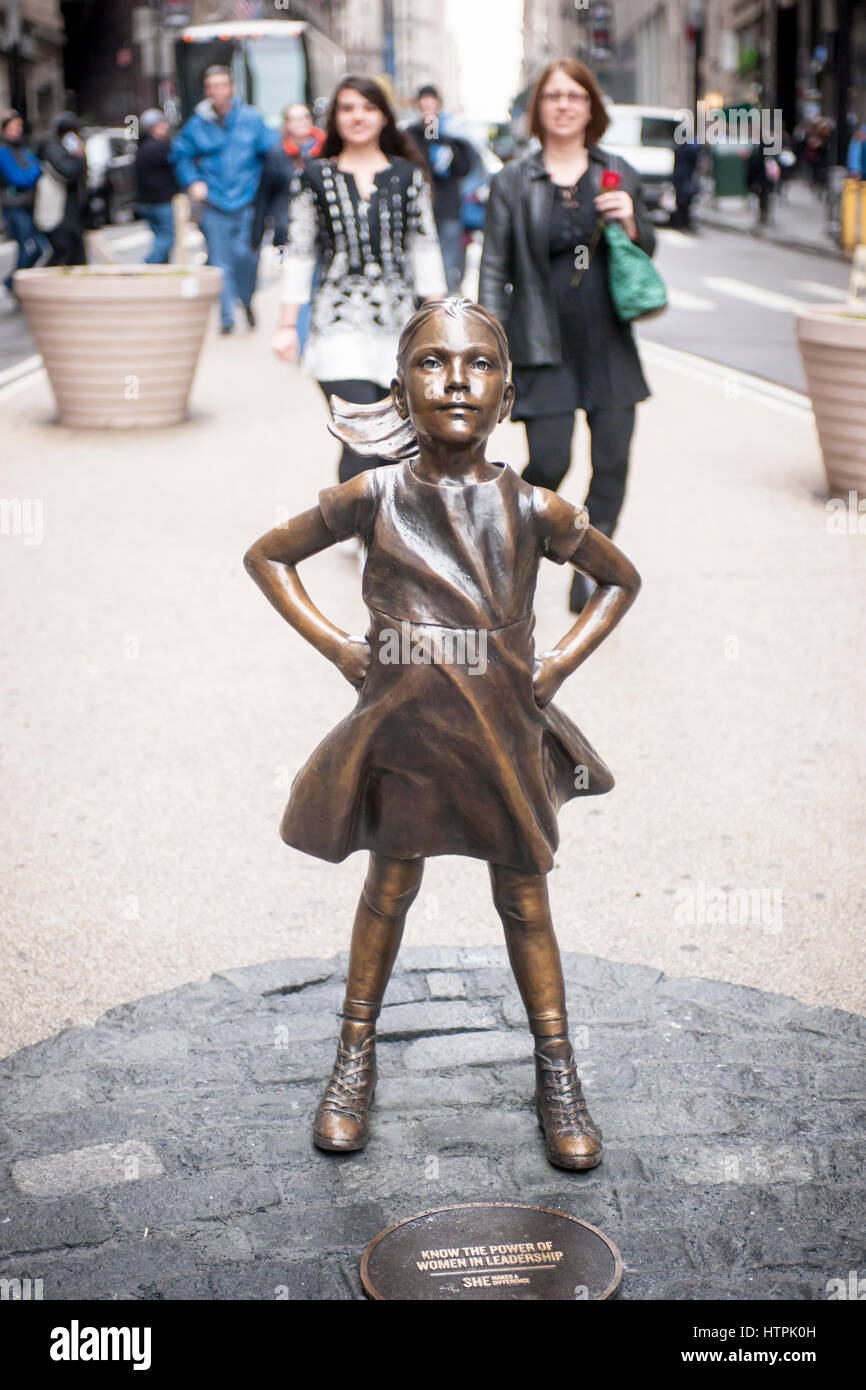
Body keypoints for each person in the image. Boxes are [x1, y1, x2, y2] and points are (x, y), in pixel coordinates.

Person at [244, 297, 642, 1169]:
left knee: (524, 898)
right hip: (404, 734)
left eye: (480, 364)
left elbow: (620, 579)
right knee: (389, 888)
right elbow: (267, 555)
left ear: (506, 397)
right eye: (432, 362)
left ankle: (557, 1069)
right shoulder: (373, 494)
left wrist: (556, 666)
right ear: (399, 387)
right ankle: (354, 1056)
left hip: (501, 730)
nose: (456, 380)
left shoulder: (536, 507)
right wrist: (342, 649)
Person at [478, 58, 655, 614]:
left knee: (613, 463)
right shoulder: (512, 179)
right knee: (550, 462)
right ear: (539, 109)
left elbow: (644, 250)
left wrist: (632, 219)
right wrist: (488, 348)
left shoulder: (618, 170)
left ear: (591, 108)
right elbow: (493, 266)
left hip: (608, 339)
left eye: (575, 96)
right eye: (553, 95)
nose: (564, 104)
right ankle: (509, 540)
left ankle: (589, 564)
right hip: (540, 338)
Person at [272, 75, 447, 482]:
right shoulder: (313, 178)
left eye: (368, 107)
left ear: (385, 116)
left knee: (396, 444)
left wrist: (439, 322)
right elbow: (299, 253)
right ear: (334, 117)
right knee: (361, 438)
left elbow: (426, 248)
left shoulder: (408, 175)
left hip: (399, 327)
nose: (358, 116)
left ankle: (380, 529)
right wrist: (286, 326)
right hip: (337, 328)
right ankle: (360, 531)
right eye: (348, 108)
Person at [170, 66, 277, 333]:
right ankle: (227, 317)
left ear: (231, 88)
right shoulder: (197, 124)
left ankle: (247, 300)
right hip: (215, 202)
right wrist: (193, 181)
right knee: (220, 262)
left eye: (221, 85)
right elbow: (180, 155)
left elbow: (272, 153)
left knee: (247, 258)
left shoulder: (251, 119)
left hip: (248, 201)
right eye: (211, 86)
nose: (216, 91)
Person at [407, 85, 474, 293]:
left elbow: (464, 167)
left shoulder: (453, 133)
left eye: (431, 102)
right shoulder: (410, 134)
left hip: (448, 208)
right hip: (419, 208)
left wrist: (443, 143)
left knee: (447, 264)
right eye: (423, 102)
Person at [0, 110, 45, 302]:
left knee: (38, 248)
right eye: (13, 127)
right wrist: (35, 171)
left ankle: (12, 282)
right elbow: (19, 178)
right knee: (27, 247)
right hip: (14, 207)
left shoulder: (24, 148)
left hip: (28, 205)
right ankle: (15, 284)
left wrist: (32, 170)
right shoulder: (3, 151)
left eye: (19, 126)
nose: (17, 130)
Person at [39, 113, 88, 267]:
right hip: (60, 211)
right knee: (64, 251)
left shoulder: (66, 150)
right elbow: (68, 171)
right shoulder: (54, 150)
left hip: (74, 211)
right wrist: (78, 156)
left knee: (77, 256)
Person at [135, 108, 179, 264]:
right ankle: (149, 264)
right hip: (161, 201)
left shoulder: (141, 148)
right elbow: (176, 166)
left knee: (160, 235)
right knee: (167, 236)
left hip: (146, 202)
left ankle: (161, 272)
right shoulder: (159, 148)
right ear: (156, 126)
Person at [671, 134, 700, 231]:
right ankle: (683, 223)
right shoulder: (688, 149)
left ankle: (680, 223)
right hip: (685, 178)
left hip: (679, 177)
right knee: (684, 202)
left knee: (681, 202)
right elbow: (694, 161)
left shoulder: (678, 148)